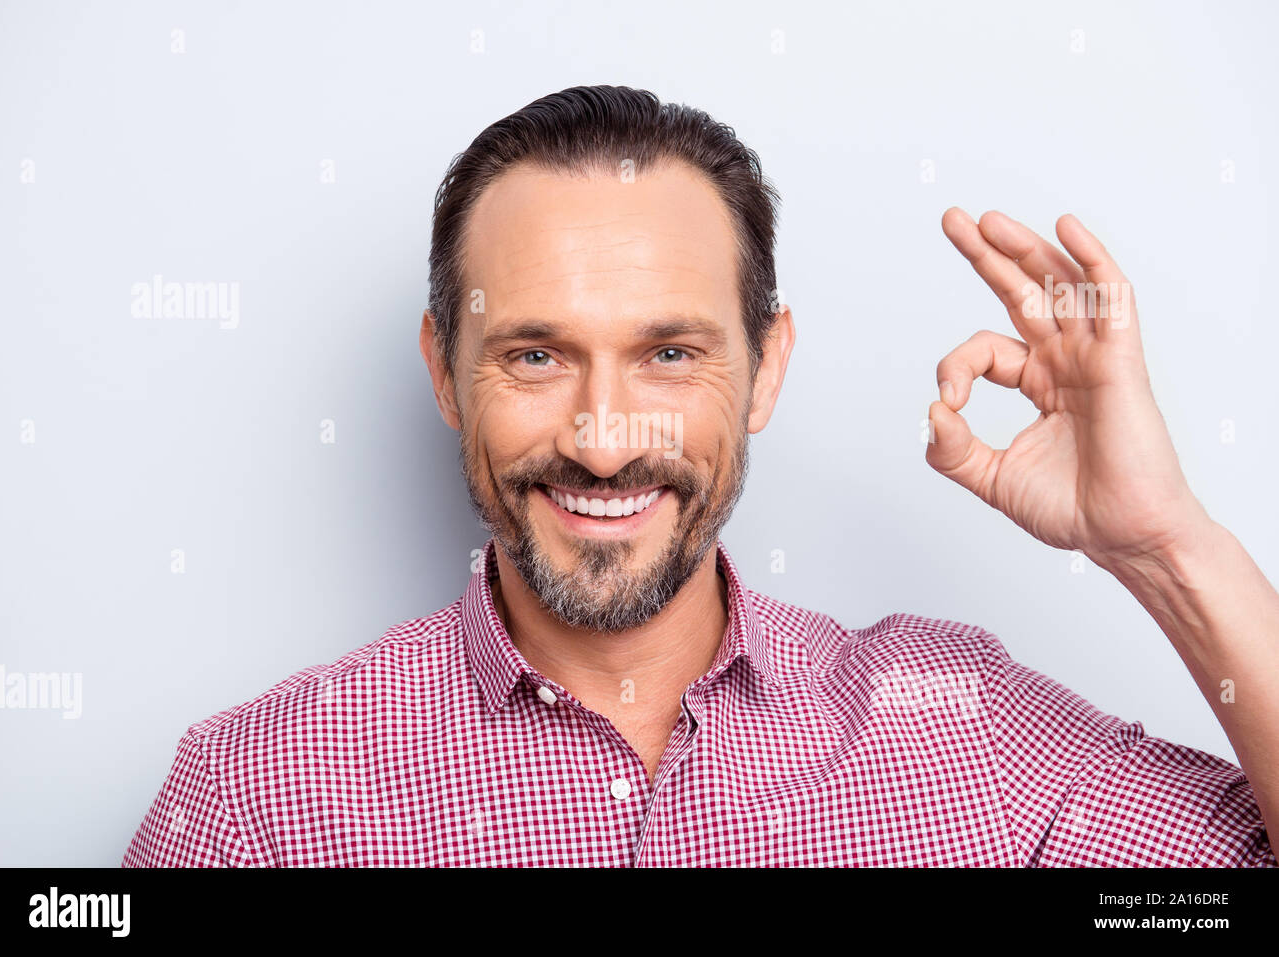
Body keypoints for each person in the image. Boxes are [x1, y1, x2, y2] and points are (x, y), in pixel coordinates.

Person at [123, 85, 1277, 866]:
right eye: (535, 355)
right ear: (446, 371)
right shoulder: (259, 801)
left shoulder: (956, 726)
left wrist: (1165, 547)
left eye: (669, 354)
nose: (605, 436)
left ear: (766, 367)